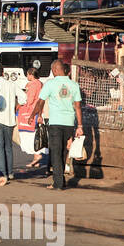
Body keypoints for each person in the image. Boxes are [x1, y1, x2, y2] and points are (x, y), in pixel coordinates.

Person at [38, 60, 83, 190]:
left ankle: (58, 183)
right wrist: (80, 126)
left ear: (55, 70)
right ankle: (60, 180)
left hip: (55, 122)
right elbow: (78, 107)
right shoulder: (74, 85)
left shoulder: (50, 84)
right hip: (69, 122)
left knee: (56, 152)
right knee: (63, 152)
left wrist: (36, 115)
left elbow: (41, 101)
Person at [18, 65, 47, 171]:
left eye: (27, 74)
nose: (27, 76)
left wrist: (22, 106)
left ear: (30, 75)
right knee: (37, 133)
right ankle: (37, 156)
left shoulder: (31, 84)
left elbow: (29, 99)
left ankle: (36, 154)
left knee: (30, 134)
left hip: (31, 110)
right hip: (40, 109)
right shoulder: (40, 83)